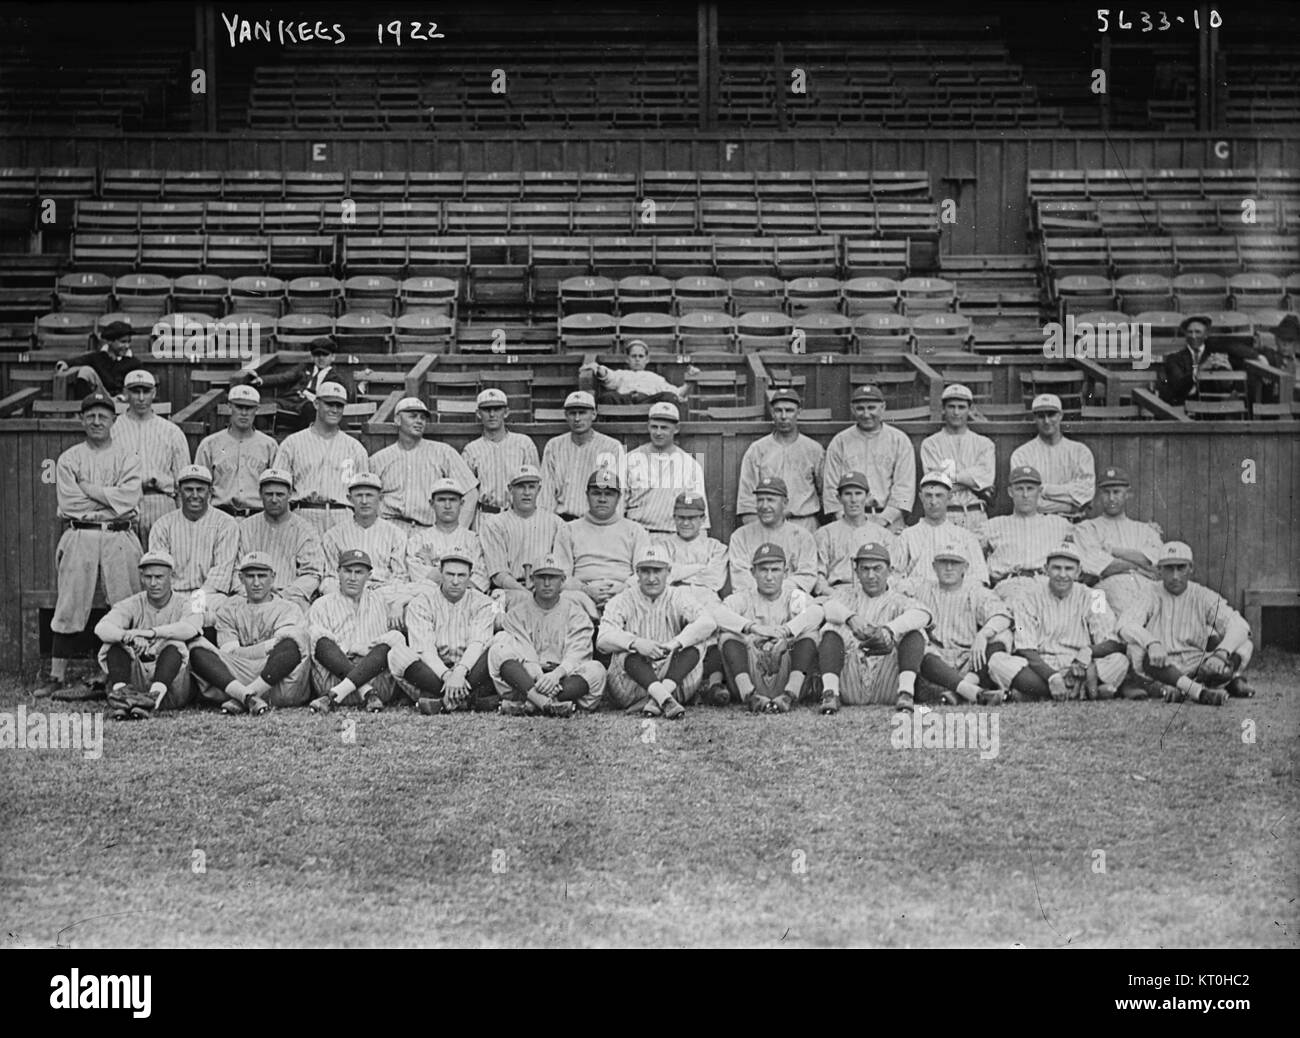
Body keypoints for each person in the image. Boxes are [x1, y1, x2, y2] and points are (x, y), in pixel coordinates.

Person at [32, 391, 142, 700]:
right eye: (90, 415)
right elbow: (70, 502)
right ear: (82, 419)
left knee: (123, 602)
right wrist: (110, 497)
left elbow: (129, 500)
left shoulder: (127, 456)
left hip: (119, 534)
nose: (96, 421)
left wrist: (90, 490)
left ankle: (115, 675)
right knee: (70, 603)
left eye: (103, 416)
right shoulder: (69, 458)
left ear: (113, 421)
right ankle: (56, 676)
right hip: (80, 533)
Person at [986, 543, 1129, 702]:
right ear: (1046, 569)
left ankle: (1035, 694)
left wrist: (1089, 651)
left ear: (1078, 571)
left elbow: (1112, 641)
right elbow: (1025, 648)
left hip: (1080, 665)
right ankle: (1084, 691)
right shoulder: (1027, 596)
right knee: (997, 662)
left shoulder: (1095, 596)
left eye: (1068, 569)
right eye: (1056, 568)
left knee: (1119, 661)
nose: (1062, 574)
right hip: (1041, 665)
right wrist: (1052, 677)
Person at [1119, 541, 1256, 705]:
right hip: (1161, 662)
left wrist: (1221, 653)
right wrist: (1152, 642)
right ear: (1159, 570)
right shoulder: (1149, 592)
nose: (1175, 576)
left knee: (1244, 644)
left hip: (1196, 662)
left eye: (1181, 568)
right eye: (1169, 568)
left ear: (1191, 568)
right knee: (1137, 649)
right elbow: (1125, 625)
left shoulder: (1201, 594)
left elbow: (1239, 624)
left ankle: (1195, 685)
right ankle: (1201, 691)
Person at [597, 544, 718, 719]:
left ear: (668, 572)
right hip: (632, 686)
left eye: (657, 571)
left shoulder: (678, 595)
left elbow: (708, 622)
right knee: (623, 648)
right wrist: (636, 643)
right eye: (645, 571)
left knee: (696, 641)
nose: (651, 578)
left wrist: (674, 644)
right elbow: (602, 638)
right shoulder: (623, 599)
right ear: (637, 573)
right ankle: (662, 698)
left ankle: (659, 698)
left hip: (674, 681)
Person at [188, 552, 312, 715]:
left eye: (262, 576)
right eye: (250, 576)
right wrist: (267, 646)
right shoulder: (229, 608)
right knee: (197, 648)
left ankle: (245, 695)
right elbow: (229, 652)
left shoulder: (288, 607)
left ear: (273, 577)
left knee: (292, 643)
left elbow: (285, 649)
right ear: (240, 578)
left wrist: (254, 651)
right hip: (237, 670)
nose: (256, 583)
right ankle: (247, 696)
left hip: (274, 675)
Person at [815, 542, 931, 714]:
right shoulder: (847, 595)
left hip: (887, 681)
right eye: (865, 569)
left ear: (890, 571)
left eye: (877, 568)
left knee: (915, 632)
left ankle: (906, 693)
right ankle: (830, 693)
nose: (871, 575)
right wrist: (850, 618)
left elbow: (924, 615)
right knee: (831, 629)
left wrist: (889, 629)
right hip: (851, 680)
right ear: (856, 572)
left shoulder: (898, 599)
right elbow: (827, 607)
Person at [490, 555, 607, 717]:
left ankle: (530, 703)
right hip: (526, 678)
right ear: (531, 580)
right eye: (541, 577)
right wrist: (537, 677)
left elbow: (577, 654)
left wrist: (555, 675)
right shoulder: (516, 613)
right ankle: (546, 703)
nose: (546, 583)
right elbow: (523, 651)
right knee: (498, 647)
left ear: (563, 580)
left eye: (552, 577)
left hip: (562, 679)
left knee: (596, 670)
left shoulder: (577, 614)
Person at [714, 544, 824, 713]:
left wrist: (787, 631)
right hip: (752, 672)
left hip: (786, 672)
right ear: (753, 572)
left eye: (775, 570)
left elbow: (817, 612)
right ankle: (750, 696)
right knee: (728, 635)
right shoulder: (744, 597)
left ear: (785, 572)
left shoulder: (794, 596)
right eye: (763, 570)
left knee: (810, 634)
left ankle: (790, 695)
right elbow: (717, 613)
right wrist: (754, 628)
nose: (769, 577)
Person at [387, 548, 500, 715]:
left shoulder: (482, 602)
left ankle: (443, 700)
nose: (455, 581)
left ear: (470, 576)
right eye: (450, 574)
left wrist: (459, 672)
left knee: (501, 642)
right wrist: (448, 676)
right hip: (435, 671)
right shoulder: (422, 601)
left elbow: (478, 643)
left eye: (461, 575)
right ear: (440, 573)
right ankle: (468, 700)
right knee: (396, 654)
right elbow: (425, 649)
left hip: (470, 670)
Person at [93, 550, 202, 721]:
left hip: (171, 686)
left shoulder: (186, 603)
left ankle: (152, 701)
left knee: (176, 645)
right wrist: (126, 637)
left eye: (159, 577)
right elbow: (102, 627)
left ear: (171, 577)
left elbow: (191, 627)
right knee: (113, 644)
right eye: (148, 577)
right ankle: (122, 697)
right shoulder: (133, 602)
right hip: (136, 681)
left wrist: (149, 633)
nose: (153, 583)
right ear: (142, 578)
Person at [307, 550, 409, 714]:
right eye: (348, 571)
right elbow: (320, 647)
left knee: (394, 638)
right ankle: (364, 691)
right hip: (335, 678)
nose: (353, 578)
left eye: (359, 572)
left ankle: (335, 695)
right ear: (338, 572)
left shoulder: (381, 598)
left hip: (376, 680)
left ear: (369, 575)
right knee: (316, 634)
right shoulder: (322, 604)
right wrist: (351, 648)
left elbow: (429, 588)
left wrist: (400, 603)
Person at [912, 546, 1012, 706]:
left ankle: (959, 691)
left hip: (969, 660)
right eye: (943, 562)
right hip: (936, 661)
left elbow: (1003, 615)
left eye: (955, 563)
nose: (949, 568)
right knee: (916, 646)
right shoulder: (921, 588)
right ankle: (970, 691)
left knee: (1003, 635)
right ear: (933, 566)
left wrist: (983, 635)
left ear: (965, 567)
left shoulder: (975, 591)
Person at [370, 396, 479, 533]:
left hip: (429, 531)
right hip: (389, 530)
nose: (419, 421)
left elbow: (471, 493)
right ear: (398, 420)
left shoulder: (443, 452)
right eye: (413, 416)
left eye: (422, 418)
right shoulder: (379, 459)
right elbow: (367, 497)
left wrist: (457, 532)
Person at [272, 380, 369, 534]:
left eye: (339, 405)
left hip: (343, 516)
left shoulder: (355, 448)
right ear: (316, 403)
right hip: (303, 513)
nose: (335, 410)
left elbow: (364, 491)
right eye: (329, 404)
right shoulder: (292, 443)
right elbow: (278, 486)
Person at [148, 463, 240, 625]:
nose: (195, 495)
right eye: (189, 489)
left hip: (209, 596)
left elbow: (220, 574)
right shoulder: (163, 525)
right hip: (172, 595)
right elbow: (159, 571)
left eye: (200, 489)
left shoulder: (226, 523)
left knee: (223, 610)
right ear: (178, 491)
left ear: (210, 492)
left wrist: (192, 604)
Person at [821, 384, 915, 533]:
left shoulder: (899, 440)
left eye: (871, 408)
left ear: (883, 407)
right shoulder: (840, 442)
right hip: (848, 521)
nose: (866, 414)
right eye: (860, 408)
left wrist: (883, 520)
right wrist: (846, 520)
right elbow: (831, 489)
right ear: (852, 409)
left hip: (889, 520)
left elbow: (904, 490)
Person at [555, 469, 649, 616]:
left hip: (623, 592)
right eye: (596, 493)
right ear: (587, 495)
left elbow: (644, 572)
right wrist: (584, 589)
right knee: (564, 599)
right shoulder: (569, 530)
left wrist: (624, 588)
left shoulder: (635, 530)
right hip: (582, 594)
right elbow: (560, 575)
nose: (602, 499)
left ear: (618, 497)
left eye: (609, 494)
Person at [1073, 466, 1164, 617]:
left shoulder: (1145, 530)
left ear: (1127, 494)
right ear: (1099, 495)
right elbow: (1101, 567)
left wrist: (1112, 551)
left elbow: (1155, 564)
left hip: (1146, 588)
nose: (1111, 498)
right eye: (1106, 493)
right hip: (1102, 590)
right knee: (1102, 615)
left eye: (1117, 492)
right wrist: (1138, 565)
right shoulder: (1087, 528)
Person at [984, 466, 1077, 613]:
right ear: (1010, 492)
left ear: (1039, 492)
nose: (1025, 494)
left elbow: (1080, 554)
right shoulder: (992, 525)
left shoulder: (1058, 524)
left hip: (1045, 584)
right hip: (1009, 585)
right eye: (1019, 489)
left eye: (1030, 489)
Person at [112, 368, 190, 542]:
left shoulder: (171, 431)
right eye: (135, 391)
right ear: (125, 393)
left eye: (146, 391)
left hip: (161, 503)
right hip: (124, 506)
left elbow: (183, 483)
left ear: (154, 393)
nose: (141, 398)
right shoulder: (113, 430)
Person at [236, 468, 325, 613]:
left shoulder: (304, 529)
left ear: (290, 494)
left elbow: (312, 573)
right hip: (250, 595)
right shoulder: (246, 527)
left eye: (280, 495)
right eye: (269, 494)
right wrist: (251, 594)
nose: (274, 499)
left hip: (290, 598)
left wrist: (283, 596)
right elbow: (236, 570)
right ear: (260, 494)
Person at [736, 388, 824, 531]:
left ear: (799, 411)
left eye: (789, 410)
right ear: (772, 412)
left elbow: (826, 494)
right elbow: (747, 500)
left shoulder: (814, 449)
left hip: (804, 523)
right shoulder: (757, 449)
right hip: (767, 524)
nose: (783, 416)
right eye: (778, 410)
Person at [479, 465, 570, 602]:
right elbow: (498, 574)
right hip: (508, 589)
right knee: (494, 612)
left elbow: (562, 570)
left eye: (531, 487)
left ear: (539, 489)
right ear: (510, 489)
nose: (527, 492)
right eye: (521, 487)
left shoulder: (556, 523)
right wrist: (523, 592)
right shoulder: (494, 524)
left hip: (546, 588)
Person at [624, 401, 709, 542]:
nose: (658, 432)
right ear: (648, 427)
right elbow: (618, 507)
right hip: (635, 535)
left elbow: (700, 515)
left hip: (674, 537)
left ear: (676, 429)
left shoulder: (690, 465)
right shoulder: (630, 460)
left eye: (664, 428)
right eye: (654, 427)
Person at [919, 383, 996, 537]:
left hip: (976, 513)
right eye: (951, 407)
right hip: (945, 514)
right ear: (943, 409)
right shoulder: (931, 443)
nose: (956, 412)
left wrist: (951, 477)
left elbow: (986, 479)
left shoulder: (984, 443)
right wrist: (971, 480)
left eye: (961, 407)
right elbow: (935, 484)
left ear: (970, 409)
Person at [893, 472, 989, 592]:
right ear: (921, 497)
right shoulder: (907, 535)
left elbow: (979, 578)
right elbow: (894, 577)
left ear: (949, 498)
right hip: (916, 596)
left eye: (939, 495)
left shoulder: (965, 536)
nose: (933, 502)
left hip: (955, 599)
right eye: (928, 495)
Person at [319, 472, 408, 599]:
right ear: (349, 499)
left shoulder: (396, 534)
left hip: (384, 595)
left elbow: (400, 576)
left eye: (369, 495)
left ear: (380, 498)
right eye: (359, 496)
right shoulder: (334, 535)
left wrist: (385, 593)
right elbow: (329, 576)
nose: (364, 501)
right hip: (345, 596)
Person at [238, 337, 356, 432]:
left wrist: (314, 397)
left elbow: (343, 395)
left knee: (311, 410)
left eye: (324, 355)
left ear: (333, 357)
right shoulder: (304, 368)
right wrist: (260, 380)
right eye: (316, 355)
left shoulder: (337, 376)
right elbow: (285, 377)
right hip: (291, 400)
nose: (320, 359)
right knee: (263, 404)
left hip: (310, 404)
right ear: (312, 356)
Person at [195, 383, 277, 519]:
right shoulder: (210, 444)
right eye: (239, 407)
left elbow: (276, 488)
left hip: (258, 517)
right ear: (229, 407)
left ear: (257, 409)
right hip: (220, 516)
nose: (244, 413)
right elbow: (200, 486)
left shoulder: (269, 445)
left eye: (249, 408)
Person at [539, 391, 625, 520]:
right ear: (566, 416)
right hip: (562, 520)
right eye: (573, 413)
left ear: (594, 414)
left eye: (582, 412)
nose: (577, 418)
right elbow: (546, 494)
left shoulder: (611, 447)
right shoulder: (554, 446)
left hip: (594, 523)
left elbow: (618, 493)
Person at [726, 476, 817, 595]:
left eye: (770, 500)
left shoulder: (803, 537)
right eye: (760, 500)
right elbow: (740, 577)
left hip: (790, 599)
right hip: (752, 600)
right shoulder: (740, 536)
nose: (764, 506)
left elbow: (807, 576)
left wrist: (776, 591)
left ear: (785, 503)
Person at [1009, 394, 1095, 519]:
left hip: (1073, 522)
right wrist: (1071, 505)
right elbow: (1027, 501)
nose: (1046, 421)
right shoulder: (1022, 454)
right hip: (1036, 525)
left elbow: (1086, 493)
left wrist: (1045, 490)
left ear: (1061, 415)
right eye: (1041, 416)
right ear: (1034, 418)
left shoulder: (1081, 452)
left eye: (1051, 414)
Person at [461, 388, 539, 526]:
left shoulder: (524, 444)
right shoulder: (471, 450)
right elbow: (466, 494)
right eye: (487, 410)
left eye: (497, 409)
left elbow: (536, 486)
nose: (492, 414)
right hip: (485, 517)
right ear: (478, 414)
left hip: (517, 517)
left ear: (506, 412)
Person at [813, 471, 897, 596]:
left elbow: (893, 575)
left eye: (858, 494)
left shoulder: (884, 535)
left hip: (874, 595)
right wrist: (834, 595)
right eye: (847, 494)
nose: (853, 500)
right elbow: (818, 578)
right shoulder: (824, 534)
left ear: (868, 496)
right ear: (839, 498)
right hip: (836, 594)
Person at [405, 478, 490, 593]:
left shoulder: (474, 540)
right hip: (429, 599)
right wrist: (461, 578)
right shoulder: (418, 540)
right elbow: (417, 576)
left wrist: (433, 567)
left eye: (453, 500)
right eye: (441, 500)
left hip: (468, 600)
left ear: (462, 503)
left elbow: (481, 577)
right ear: (431, 504)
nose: (447, 505)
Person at [660, 491, 727, 601]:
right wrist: (700, 568)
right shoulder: (662, 547)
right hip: (672, 601)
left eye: (691, 518)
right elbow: (662, 578)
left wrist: (678, 576)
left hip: (706, 601)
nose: (685, 523)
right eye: (681, 517)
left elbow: (714, 581)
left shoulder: (716, 548)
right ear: (674, 518)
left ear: (703, 519)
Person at [54, 320, 143, 398]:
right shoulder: (98, 357)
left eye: (129, 342)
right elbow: (78, 360)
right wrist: (65, 363)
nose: (127, 346)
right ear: (109, 341)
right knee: (85, 371)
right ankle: (81, 409)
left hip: (123, 401)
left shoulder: (134, 363)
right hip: (102, 397)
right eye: (123, 342)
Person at [584, 339, 688, 405]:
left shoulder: (655, 377)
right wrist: (599, 369)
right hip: (625, 402)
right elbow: (609, 377)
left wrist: (689, 382)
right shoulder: (622, 374)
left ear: (647, 359)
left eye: (640, 356)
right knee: (607, 397)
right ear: (627, 359)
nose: (637, 359)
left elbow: (676, 392)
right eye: (633, 356)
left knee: (668, 396)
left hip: (646, 402)